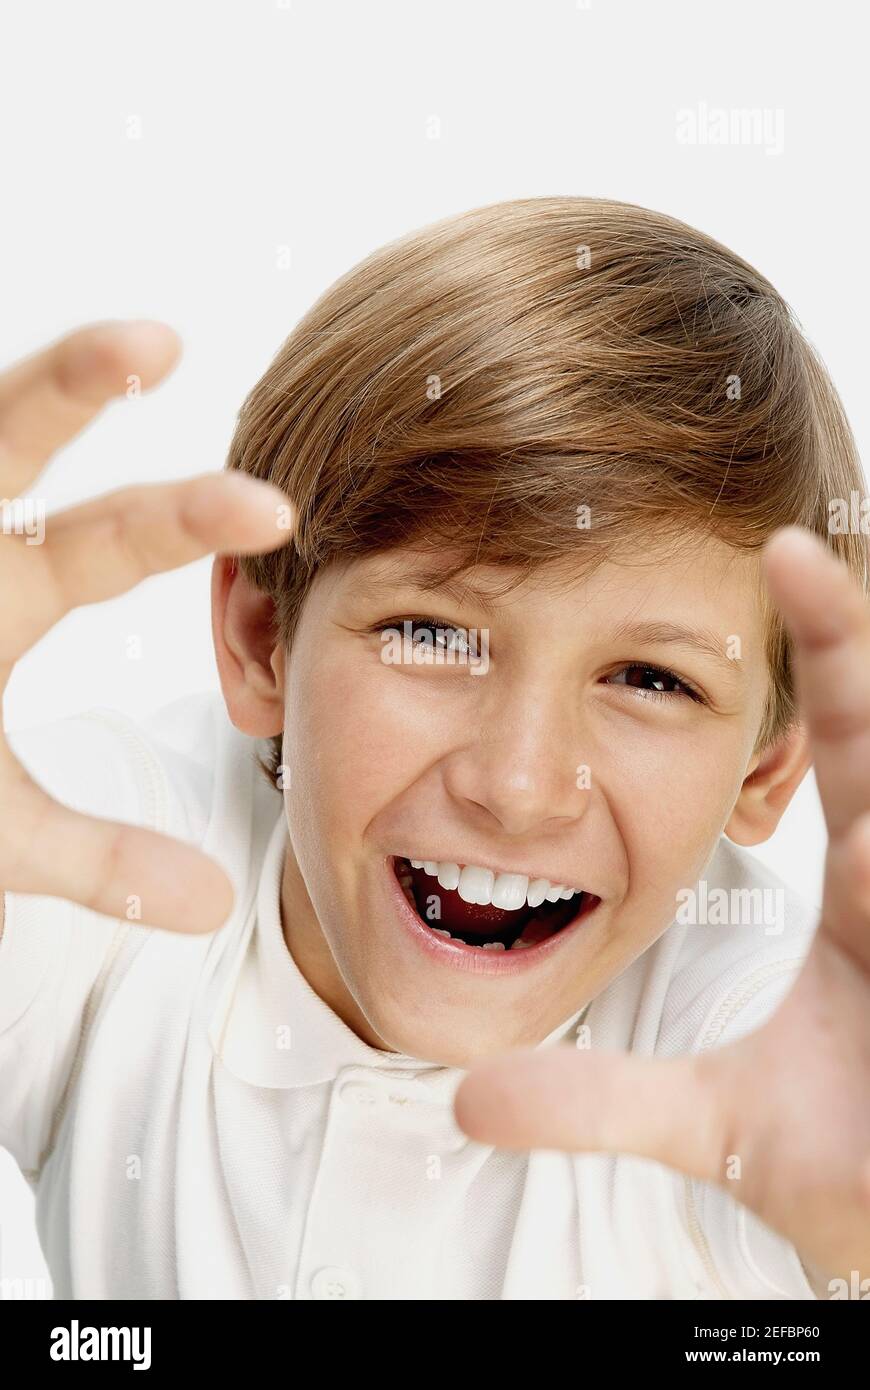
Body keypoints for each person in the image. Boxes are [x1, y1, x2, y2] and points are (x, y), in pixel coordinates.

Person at [1, 196, 868, 1300]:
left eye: (652, 679)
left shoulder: (753, 1043)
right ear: (263, 639)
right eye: (433, 633)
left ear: (764, 769)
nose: (519, 786)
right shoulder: (119, 867)